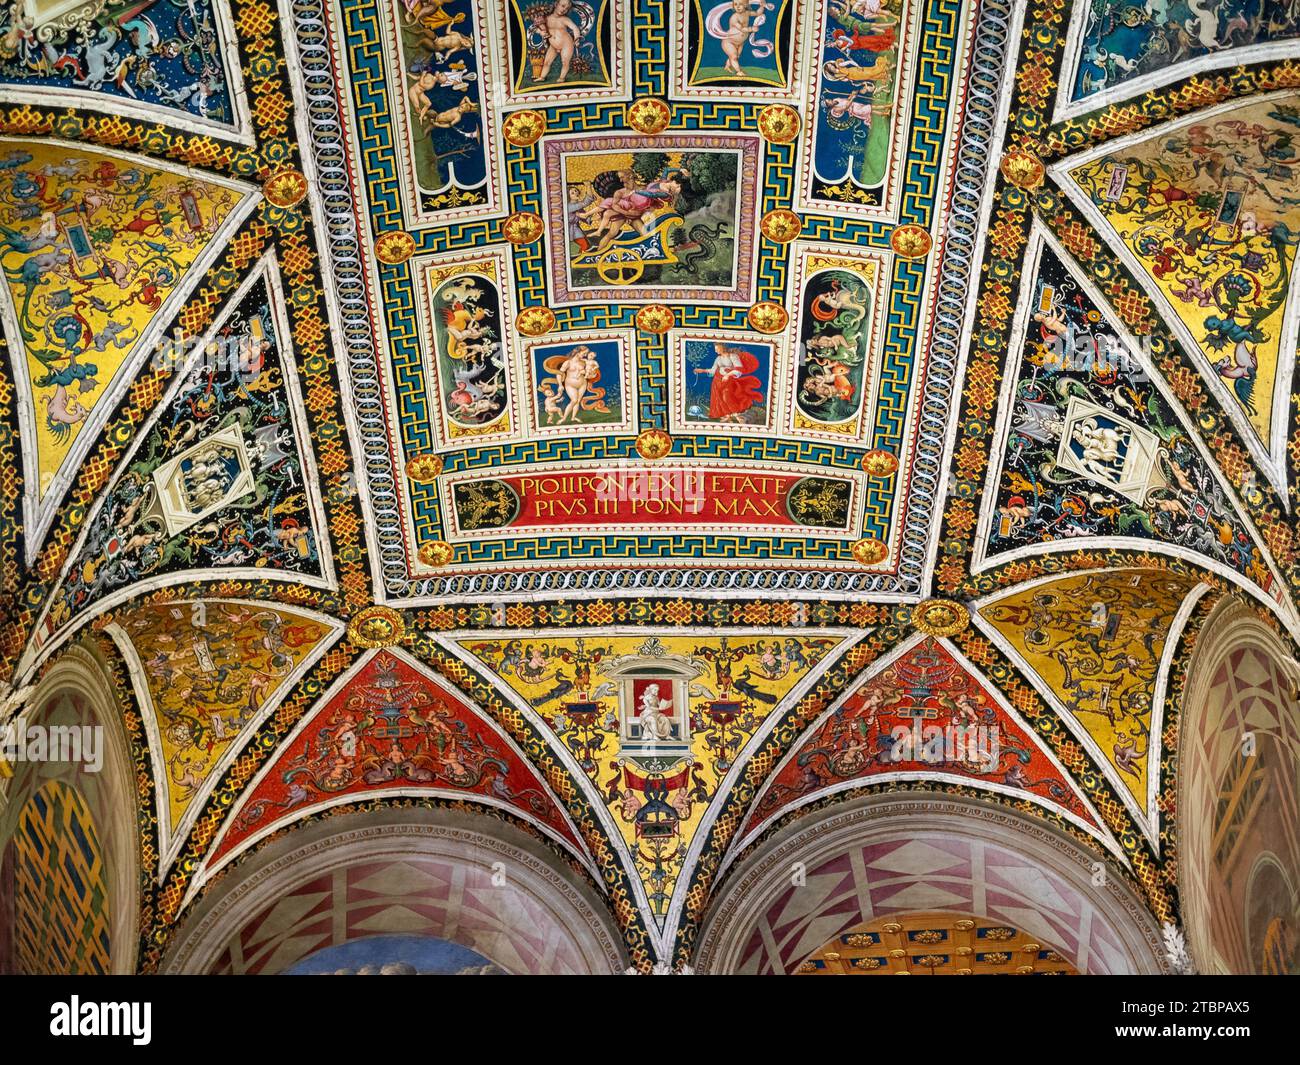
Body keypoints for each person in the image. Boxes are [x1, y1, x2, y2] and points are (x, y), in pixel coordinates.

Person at [694, 343, 764, 423]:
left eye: (717, 348)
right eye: (715, 349)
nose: (715, 350)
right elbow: (713, 370)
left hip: (729, 381)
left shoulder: (733, 356)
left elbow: (739, 370)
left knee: (727, 397)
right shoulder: (718, 358)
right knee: (719, 398)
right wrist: (702, 370)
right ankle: (727, 415)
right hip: (717, 380)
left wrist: (727, 375)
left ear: (723, 347)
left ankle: (736, 414)